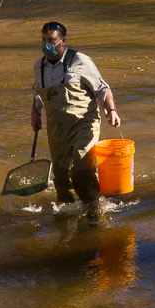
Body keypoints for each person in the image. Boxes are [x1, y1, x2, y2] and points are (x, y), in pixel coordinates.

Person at [31, 21, 122, 223]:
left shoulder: (80, 61)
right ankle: (67, 212)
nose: (47, 44)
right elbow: (38, 91)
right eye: (44, 40)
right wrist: (35, 113)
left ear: (63, 41)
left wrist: (112, 111)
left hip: (84, 123)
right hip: (56, 127)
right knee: (61, 175)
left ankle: (93, 208)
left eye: (52, 40)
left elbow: (102, 89)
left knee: (81, 169)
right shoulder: (39, 66)